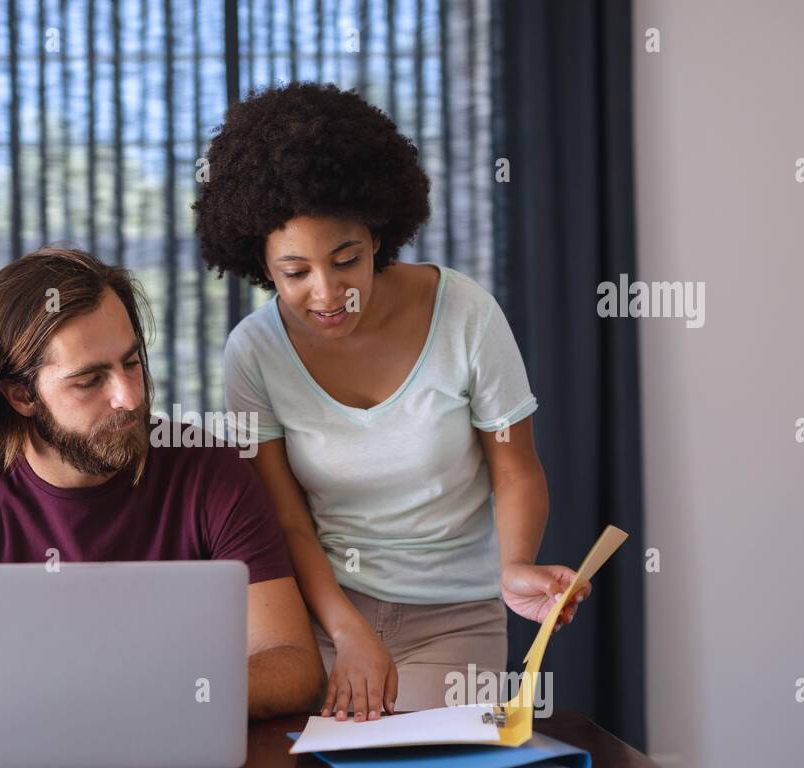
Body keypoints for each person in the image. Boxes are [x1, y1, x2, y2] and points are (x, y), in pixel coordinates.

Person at [193, 82, 591, 722]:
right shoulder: (253, 352)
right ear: (262, 266)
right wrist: (348, 632)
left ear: (378, 235)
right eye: (295, 273)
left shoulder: (464, 314)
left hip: (454, 616)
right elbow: (286, 519)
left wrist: (515, 564)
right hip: (321, 614)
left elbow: (515, 467)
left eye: (346, 260)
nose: (328, 293)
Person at [0, 246, 324, 726]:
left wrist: (145, 696)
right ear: (21, 395)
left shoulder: (212, 474)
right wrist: (26, 700)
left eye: (131, 363)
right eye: (90, 380)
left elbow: (293, 665)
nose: (129, 397)